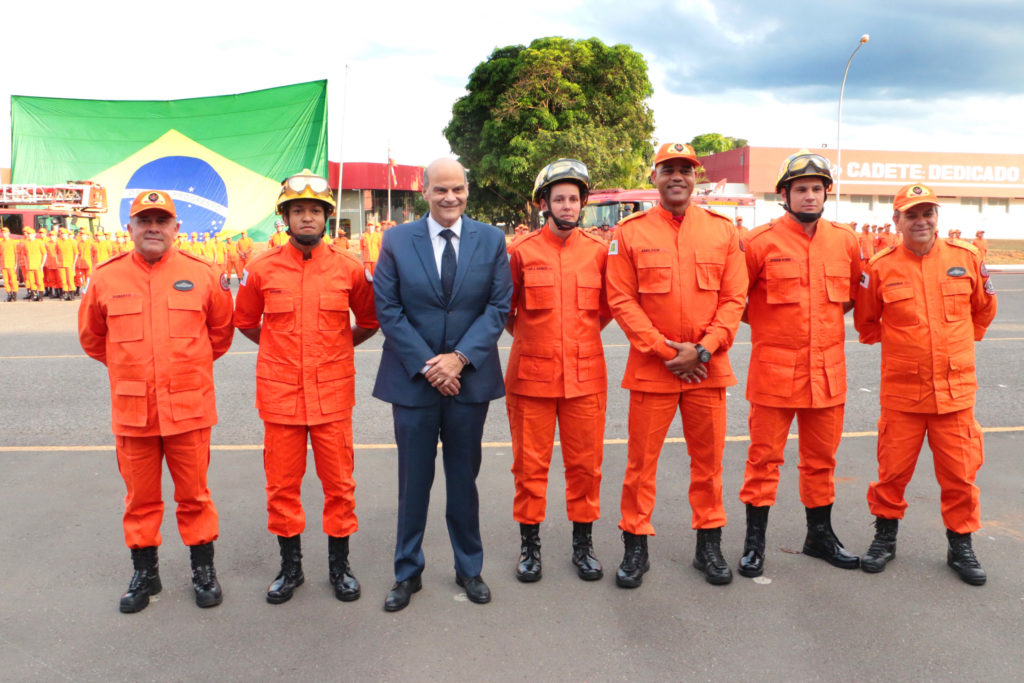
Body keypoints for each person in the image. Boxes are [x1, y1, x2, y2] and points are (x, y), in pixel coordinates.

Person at [78, 190, 233, 612]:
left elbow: (219, 336)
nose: (152, 227)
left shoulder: (203, 273)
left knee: (195, 495)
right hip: (133, 411)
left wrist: (180, 371)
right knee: (140, 499)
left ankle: (203, 570)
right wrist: (134, 371)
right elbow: (93, 340)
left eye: (161, 220)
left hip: (189, 407)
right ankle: (146, 573)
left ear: (175, 228)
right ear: (129, 228)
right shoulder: (106, 277)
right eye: (144, 220)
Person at [372, 158, 512, 611]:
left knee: (462, 481)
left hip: (469, 381)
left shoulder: (491, 240)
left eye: (458, 190)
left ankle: (469, 568)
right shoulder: (396, 240)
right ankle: (406, 572)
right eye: (440, 190)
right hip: (413, 383)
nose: (450, 198)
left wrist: (458, 360)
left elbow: (497, 306)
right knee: (413, 483)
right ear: (424, 191)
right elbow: (388, 309)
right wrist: (431, 366)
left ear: (467, 190)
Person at [605, 142, 747, 587]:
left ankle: (709, 546)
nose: (677, 177)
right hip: (653, 369)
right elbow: (621, 299)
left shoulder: (723, 231)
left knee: (709, 463)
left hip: (707, 369)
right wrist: (668, 352)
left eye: (686, 169)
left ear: (696, 177)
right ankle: (635, 548)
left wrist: (702, 350)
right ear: (655, 177)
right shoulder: (628, 233)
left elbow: (734, 298)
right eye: (669, 169)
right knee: (640, 464)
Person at [234, 170, 379, 604]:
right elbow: (245, 322)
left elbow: (369, 321)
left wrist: (337, 346)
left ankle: (340, 567)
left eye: (315, 211)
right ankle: (290, 568)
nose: (307, 218)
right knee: (281, 486)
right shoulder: (260, 269)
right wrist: (281, 349)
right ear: (285, 218)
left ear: (327, 217)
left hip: (333, 394)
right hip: (280, 397)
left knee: (339, 485)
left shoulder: (350, 269)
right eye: (298, 211)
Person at [854, 183, 997, 585]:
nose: (921, 221)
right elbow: (866, 324)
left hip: (955, 394)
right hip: (903, 394)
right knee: (891, 473)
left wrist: (952, 347)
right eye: (912, 214)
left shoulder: (966, 258)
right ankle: (885, 538)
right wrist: (910, 349)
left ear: (937, 218)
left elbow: (983, 312)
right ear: (896, 221)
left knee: (960, 475)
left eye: (927, 213)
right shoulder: (879, 267)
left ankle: (961, 544)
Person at [736, 150, 862, 577]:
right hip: (774, 372)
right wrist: (776, 328)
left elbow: (849, 298)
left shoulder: (845, 240)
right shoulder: (758, 242)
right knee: (763, 459)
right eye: (801, 189)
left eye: (816, 188)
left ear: (825, 193)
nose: (810, 196)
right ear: (785, 195)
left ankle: (819, 536)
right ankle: (755, 543)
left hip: (826, 372)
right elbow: (738, 301)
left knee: (822, 459)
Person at [505, 159, 610, 583]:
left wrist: (576, 341)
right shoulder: (521, 251)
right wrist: (536, 338)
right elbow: (505, 310)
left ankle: (582, 546)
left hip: (585, 377)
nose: (567, 206)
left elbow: (605, 310)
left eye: (573, 198)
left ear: (582, 203)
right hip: (531, 377)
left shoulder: (600, 252)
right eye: (559, 198)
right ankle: (530, 548)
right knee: (529, 466)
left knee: (586, 466)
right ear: (544, 204)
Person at [22, 227, 46, 301]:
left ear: (34, 234)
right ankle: (34, 294)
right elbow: (25, 255)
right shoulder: (26, 243)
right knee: (31, 281)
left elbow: (44, 254)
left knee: (39, 281)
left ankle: (41, 295)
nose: (29, 235)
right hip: (29, 266)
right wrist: (26, 264)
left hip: (37, 266)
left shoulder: (39, 242)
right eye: (28, 234)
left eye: (31, 234)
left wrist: (42, 264)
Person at [1, 227, 19, 301]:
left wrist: (16, 264)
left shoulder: (13, 242)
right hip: (4, 265)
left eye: (5, 232)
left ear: (9, 233)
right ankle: (9, 294)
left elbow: (16, 254)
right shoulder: (1, 243)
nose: (4, 234)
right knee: (6, 281)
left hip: (11, 264)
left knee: (13, 280)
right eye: (3, 232)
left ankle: (14, 294)